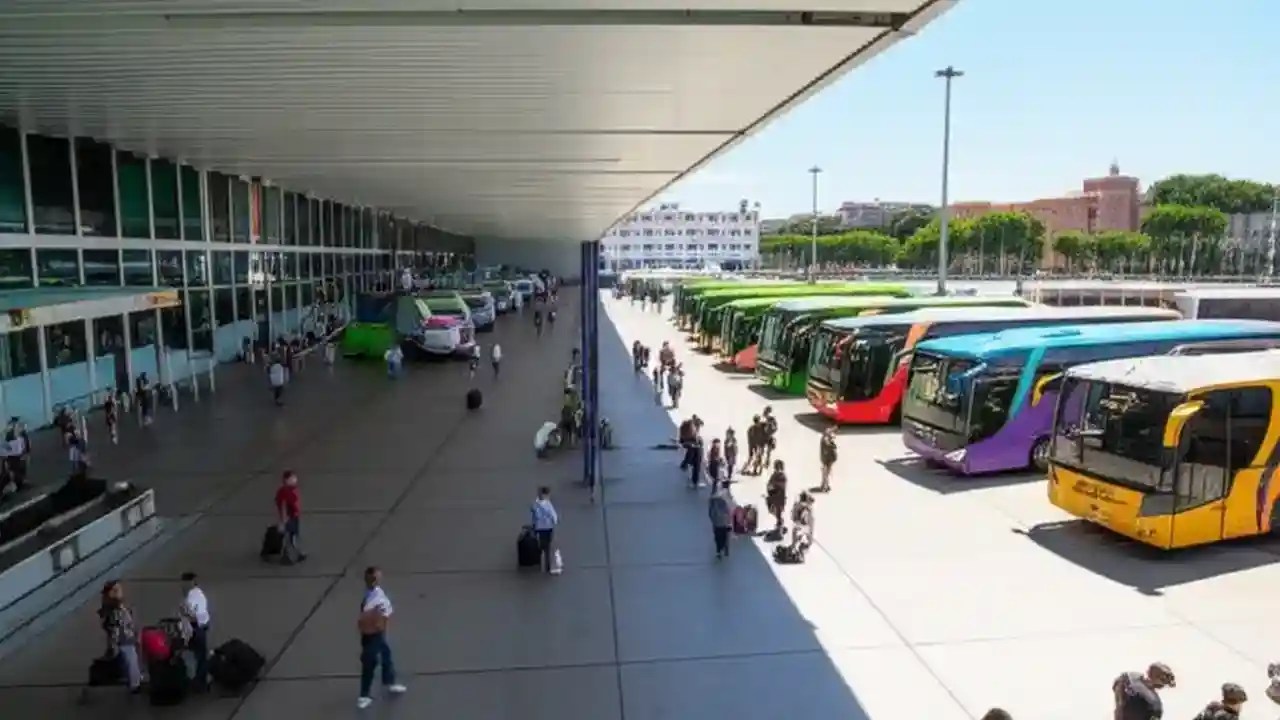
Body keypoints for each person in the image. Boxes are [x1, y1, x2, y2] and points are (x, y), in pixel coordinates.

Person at [357, 566, 407, 709]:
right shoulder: (369, 599)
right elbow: (365, 620)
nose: (381, 577)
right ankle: (364, 695)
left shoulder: (377, 592)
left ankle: (389, 681)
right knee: (370, 661)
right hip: (372, 634)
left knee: (386, 655)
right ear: (373, 580)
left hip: (379, 632)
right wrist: (378, 623)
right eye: (378, 576)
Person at [98, 580, 142, 694]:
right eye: (117, 590)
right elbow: (116, 627)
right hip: (125, 638)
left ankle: (132, 680)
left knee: (129, 660)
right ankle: (134, 684)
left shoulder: (114, 607)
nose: (121, 592)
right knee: (131, 660)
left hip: (125, 638)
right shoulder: (114, 609)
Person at [179, 571, 211, 691]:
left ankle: (199, 681)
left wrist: (185, 612)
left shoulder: (194, 596)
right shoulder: (194, 595)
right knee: (199, 655)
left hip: (196, 628)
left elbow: (194, 615)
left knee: (199, 655)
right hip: (199, 626)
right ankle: (199, 679)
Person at [274, 471, 306, 564]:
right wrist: (283, 520)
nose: (295, 480)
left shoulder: (292, 490)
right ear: (286, 480)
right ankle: (287, 556)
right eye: (292, 478)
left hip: (294, 517)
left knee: (293, 536)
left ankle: (295, 554)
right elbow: (283, 506)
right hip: (289, 518)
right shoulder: (284, 492)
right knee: (289, 537)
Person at [530, 486, 559, 574]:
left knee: (540, 545)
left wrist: (534, 525)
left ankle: (538, 562)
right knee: (547, 547)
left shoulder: (535, 504)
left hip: (539, 527)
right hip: (548, 527)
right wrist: (555, 521)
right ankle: (547, 566)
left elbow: (534, 517)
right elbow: (553, 515)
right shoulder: (548, 504)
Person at [708, 480, 734, 559]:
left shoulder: (713, 500)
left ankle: (719, 550)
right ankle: (725, 549)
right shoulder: (726, 497)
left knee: (718, 537)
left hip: (717, 523)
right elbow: (730, 510)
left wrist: (713, 520)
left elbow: (710, 512)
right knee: (725, 536)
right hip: (724, 522)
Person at [765, 459, 788, 533]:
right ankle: (780, 523)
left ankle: (780, 525)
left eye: (779, 467)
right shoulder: (774, 475)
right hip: (773, 496)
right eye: (776, 467)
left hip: (779, 497)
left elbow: (781, 485)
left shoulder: (782, 476)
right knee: (773, 510)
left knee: (778, 512)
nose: (777, 469)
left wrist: (774, 485)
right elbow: (769, 484)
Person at [818, 426, 837, 493]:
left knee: (826, 473)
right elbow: (829, 445)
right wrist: (832, 441)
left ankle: (824, 485)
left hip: (827, 458)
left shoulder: (825, 438)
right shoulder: (826, 439)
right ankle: (825, 487)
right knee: (826, 473)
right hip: (827, 459)